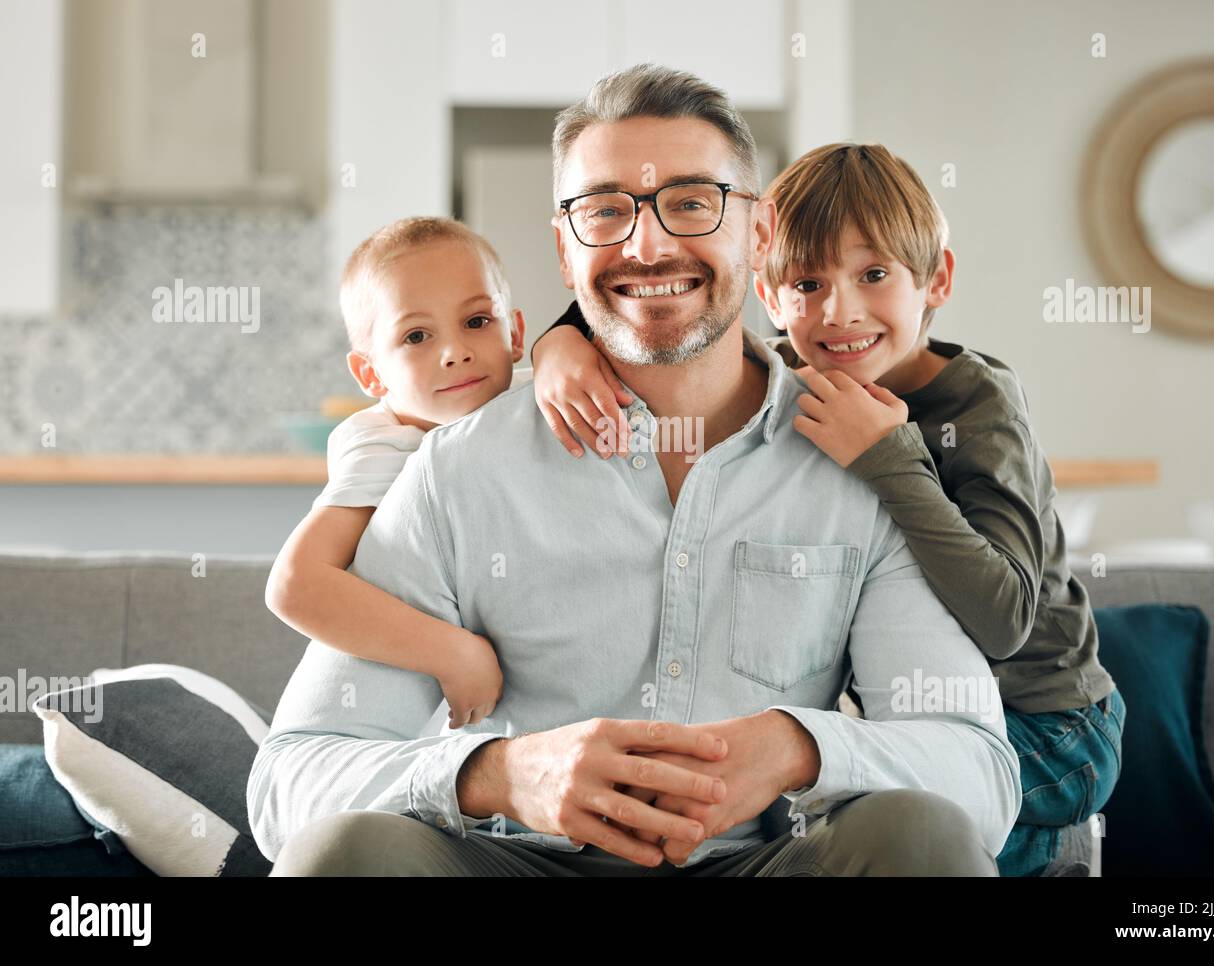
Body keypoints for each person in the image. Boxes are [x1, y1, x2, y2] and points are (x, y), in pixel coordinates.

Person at [248, 63, 1019, 877]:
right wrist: (497, 774)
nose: (647, 246)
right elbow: (288, 784)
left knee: (921, 840)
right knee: (345, 853)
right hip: (519, 862)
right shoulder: (458, 471)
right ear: (563, 247)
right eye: (605, 211)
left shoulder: (862, 462)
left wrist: (801, 747)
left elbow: (979, 775)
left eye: (692, 203)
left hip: (758, 865)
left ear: (758, 236)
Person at [532, 141, 1123, 876]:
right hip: (893, 709)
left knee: (891, 818)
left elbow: (1004, 620)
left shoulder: (979, 407)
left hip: (1046, 725)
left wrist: (889, 458)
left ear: (935, 278)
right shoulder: (790, 376)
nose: (838, 312)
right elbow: (667, 327)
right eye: (807, 283)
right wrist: (560, 342)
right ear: (768, 295)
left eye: (873, 275)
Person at [264, 217, 525, 730]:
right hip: (418, 718)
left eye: (477, 322)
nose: (456, 352)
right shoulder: (388, 448)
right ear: (370, 373)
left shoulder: (521, 402)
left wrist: (566, 346)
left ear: (514, 333)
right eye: (417, 335)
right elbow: (296, 585)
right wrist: (454, 655)